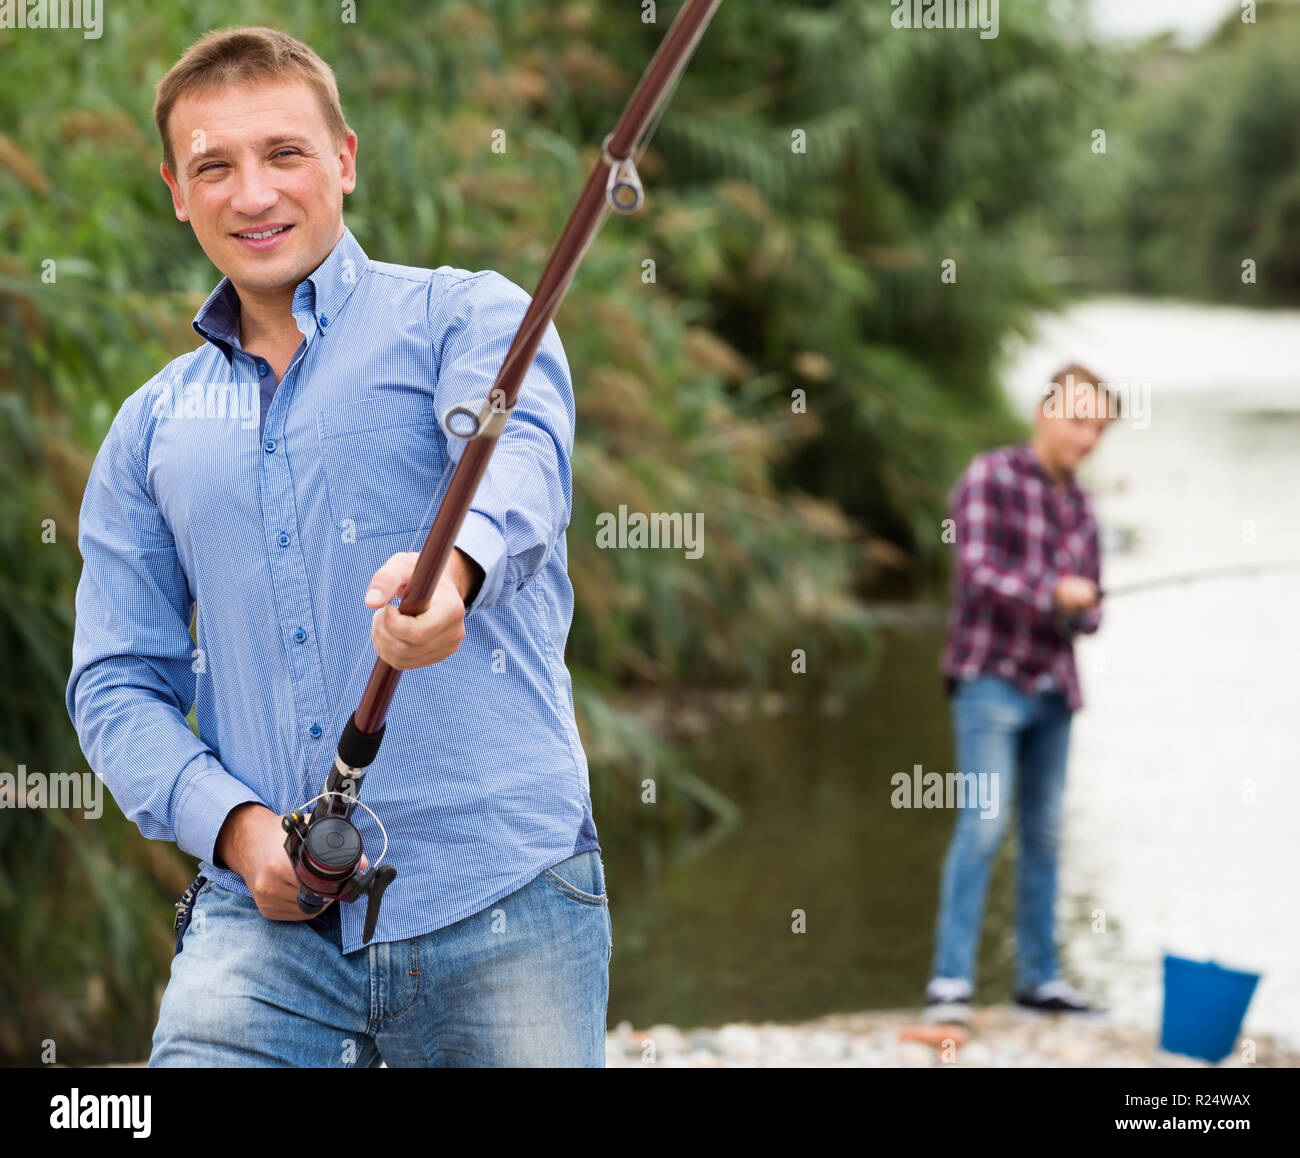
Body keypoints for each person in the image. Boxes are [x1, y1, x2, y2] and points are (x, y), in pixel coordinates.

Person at [65, 26, 609, 1066]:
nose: (252, 194)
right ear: (177, 191)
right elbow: (116, 685)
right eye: (213, 167)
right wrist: (230, 827)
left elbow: (515, 460)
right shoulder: (146, 430)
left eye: (284, 154)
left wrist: (452, 572)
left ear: (345, 160)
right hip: (262, 928)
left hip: (501, 892)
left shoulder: (469, 316)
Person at [924, 364, 1116, 1024]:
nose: (1087, 437)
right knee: (981, 825)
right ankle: (950, 983)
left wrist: (1081, 608)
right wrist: (1051, 594)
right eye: (1078, 420)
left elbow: (1091, 616)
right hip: (989, 683)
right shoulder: (990, 477)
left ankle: (1040, 980)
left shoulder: (1085, 507)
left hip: (1054, 691)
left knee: (1044, 834)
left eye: (1098, 428)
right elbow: (975, 573)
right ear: (1045, 411)